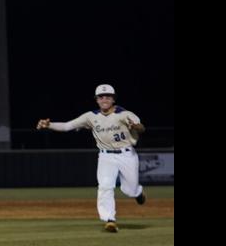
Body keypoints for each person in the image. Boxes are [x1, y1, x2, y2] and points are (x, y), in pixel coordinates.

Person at [35, 83, 145, 232]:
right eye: (101, 97)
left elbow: (141, 127)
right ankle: (109, 220)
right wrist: (49, 125)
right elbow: (68, 126)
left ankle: (137, 192)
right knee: (105, 186)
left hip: (127, 154)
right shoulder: (91, 117)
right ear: (97, 100)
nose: (104, 99)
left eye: (108, 96)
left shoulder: (124, 114)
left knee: (129, 190)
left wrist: (136, 127)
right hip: (106, 156)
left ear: (113, 99)